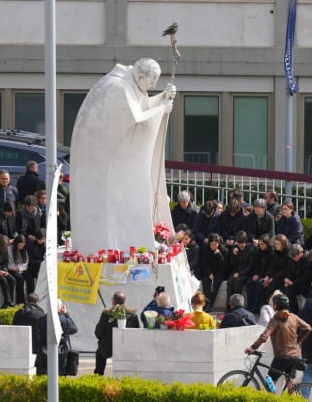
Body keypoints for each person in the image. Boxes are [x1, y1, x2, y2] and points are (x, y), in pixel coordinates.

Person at [71, 58, 176, 254]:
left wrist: (162, 97)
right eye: (151, 83)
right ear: (140, 76)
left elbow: (140, 107)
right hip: (104, 166)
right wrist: (162, 108)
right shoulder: (117, 88)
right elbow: (136, 120)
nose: (152, 87)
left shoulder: (129, 83)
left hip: (115, 162)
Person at [245, 293, 312, 383]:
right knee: (290, 383)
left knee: (270, 382)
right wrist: (298, 340)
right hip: (295, 355)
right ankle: (292, 396)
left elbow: (264, 336)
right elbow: (308, 328)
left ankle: (272, 397)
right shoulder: (293, 317)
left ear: (275, 306)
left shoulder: (275, 320)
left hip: (282, 357)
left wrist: (253, 347)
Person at [94, 291, 139, 375]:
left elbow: (98, 333)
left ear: (113, 301)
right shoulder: (133, 316)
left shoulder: (106, 314)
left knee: (100, 353)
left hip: (107, 347)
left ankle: (98, 375)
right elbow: (136, 334)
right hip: (125, 348)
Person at [38, 300, 79, 375]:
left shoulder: (42, 319)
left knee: (46, 372)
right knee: (61, 372)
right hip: (61, 349)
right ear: (61, 308)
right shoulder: (64, 318)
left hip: (45, 349)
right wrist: (66, 314)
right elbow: (74, 329)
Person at [13, 292, 47, 372]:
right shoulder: (40, 314)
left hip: (20, 343)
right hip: (36, 344)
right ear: (37, 302)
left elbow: (14, 328)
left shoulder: (18, 313)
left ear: (26, 301)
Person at [199, 232, 229, 311]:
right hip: (208, 271)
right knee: (205, 282)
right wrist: (209, 273)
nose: (213, 246)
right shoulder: (205, 249)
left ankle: (210, 304)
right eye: (212, 244)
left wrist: (219, 255)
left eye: (215, 244)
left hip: (220, 271)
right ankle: (206, 303)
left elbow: (225, 266)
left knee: (217, 282)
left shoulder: (224, 250)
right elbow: (203, 264)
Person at [227, 230, 255, 302]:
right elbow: (232, 264)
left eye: (242, 243)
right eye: (239, 243)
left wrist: (240, 274)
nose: (240, 245)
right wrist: (234, 255)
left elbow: (250, 266)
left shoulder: (250, 249)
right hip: (236, 270)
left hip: (246, 272)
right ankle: (229, 304)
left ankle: (236, 304)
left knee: (238, 282)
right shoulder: (235, 248)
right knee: (230, 281)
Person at [8, 234, 34, 303]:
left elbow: (26, 262)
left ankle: (31, 299)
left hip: (21, 268)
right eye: (20, 245)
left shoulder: (24, 250)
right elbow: (9, 263)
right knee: (20, 279)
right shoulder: (10, 249)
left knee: (30, 278)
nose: (21, 247)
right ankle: (20, 301)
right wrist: (14, 267)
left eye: (23, 245)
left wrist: (19, 267)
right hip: (12, 269)